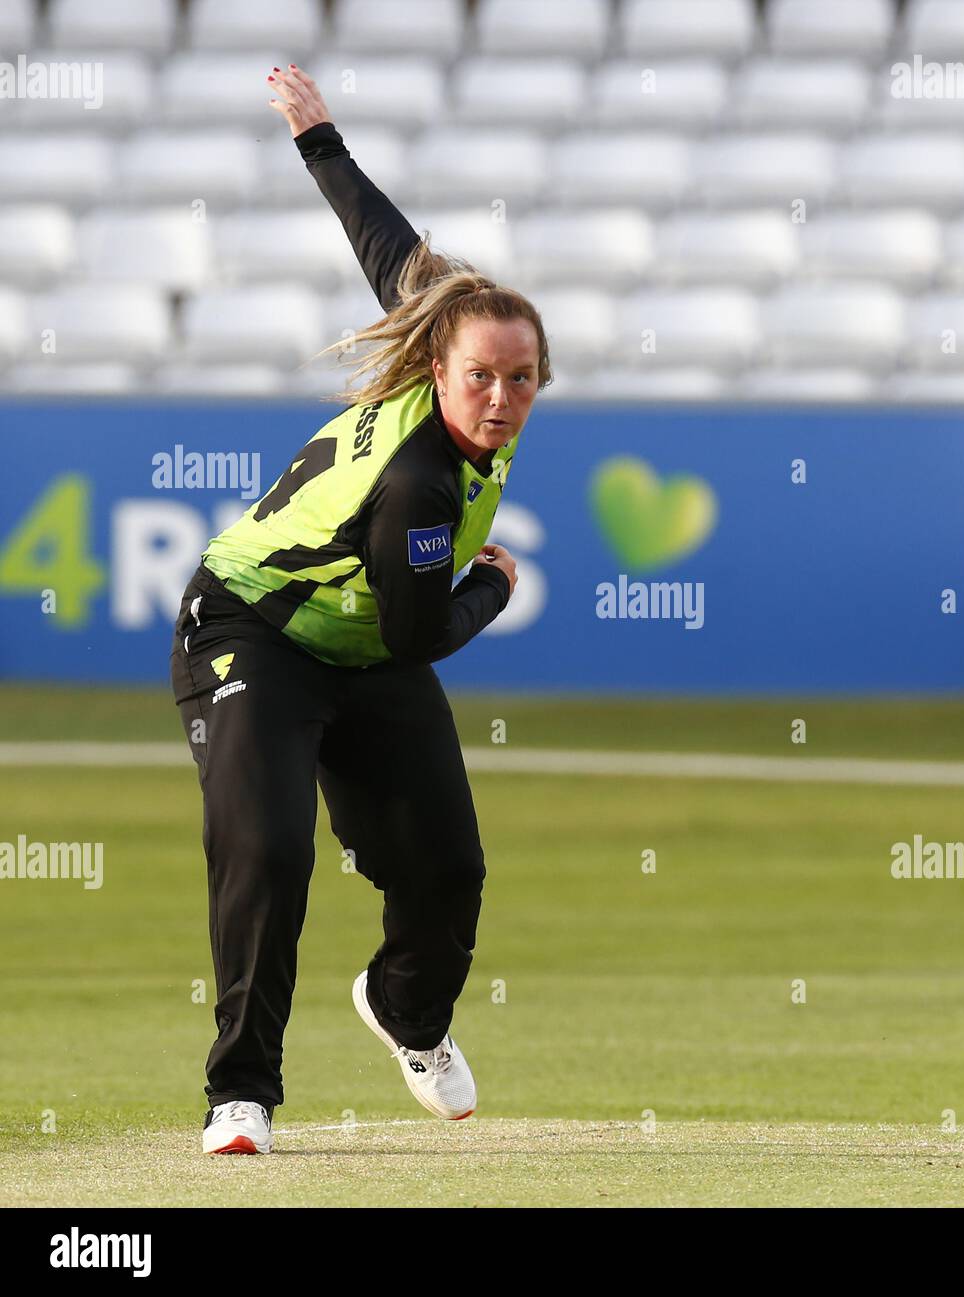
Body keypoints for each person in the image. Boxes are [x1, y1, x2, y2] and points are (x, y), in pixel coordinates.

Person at [169, 65, 551, 1154]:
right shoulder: (422, 482)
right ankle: (240, 1092)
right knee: (269, 845)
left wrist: (320, 137)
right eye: (481, 376)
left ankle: (406, 1010)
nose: (498, 397)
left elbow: (384, 245)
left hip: (363, 648)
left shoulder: (450, 325)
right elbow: (420, 632)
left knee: (448, 872)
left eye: (522, 379)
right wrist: (492, 585)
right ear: (438, 368)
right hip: (250, 629)